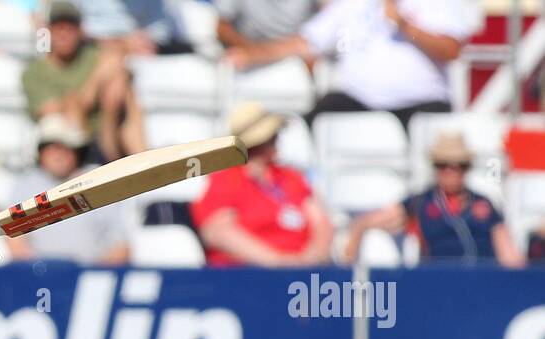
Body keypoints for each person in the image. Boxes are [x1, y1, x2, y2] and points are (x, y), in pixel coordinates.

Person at [225, 0, 478, 129]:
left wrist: (405, 26)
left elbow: (451, 49)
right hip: (361, 100)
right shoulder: (355, 3)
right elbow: (306, 42)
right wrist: (251, 54)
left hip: (420, 106)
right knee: (307, 122)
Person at [344, 132, 525, 268]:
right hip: (439, 280)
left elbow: (507, 252)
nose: (450, 172)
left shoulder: (483, 203)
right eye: (443, 165)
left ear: (466, 168)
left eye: (458, 166)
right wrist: (356, 236)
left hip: (484, 277)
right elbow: (374, 220)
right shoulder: (421, 201)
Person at [191, 101, 332, 267]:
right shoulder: (226, 179)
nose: (277, 139)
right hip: (246, 278)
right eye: (272, 136)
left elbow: (320, 222)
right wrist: (277, 262)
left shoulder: (291, 177)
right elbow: (217, 232)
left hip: (302, 274)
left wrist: (311, 258)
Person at [22, 1, 144, 164]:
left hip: (99, 134)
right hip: (64, 149)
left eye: (70, 28)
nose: (64, 34)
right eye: (58, 28)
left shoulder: (91, 56)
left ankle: (135, 156)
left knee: (119, 85)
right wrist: (93, 86)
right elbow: (61, 114)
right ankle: (118, 158)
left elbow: (115, 60)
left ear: (80, 31)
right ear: (48, 31)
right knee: (67, 117)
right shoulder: (35, 71)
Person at [8, 114, 130, 265]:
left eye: (64, 146)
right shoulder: (25, 186)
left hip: (89, 277)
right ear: (40, 152)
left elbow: (121, 247)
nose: (58, 153)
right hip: (39, 278)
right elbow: (15, 241)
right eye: (50, 146)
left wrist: (90, 275)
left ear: (76, 150)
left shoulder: (98, 181)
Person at [75, 0, 188, 55]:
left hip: (137, 58)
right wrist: (122, 44)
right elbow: (71, 32)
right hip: (91, 54)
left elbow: (159, 36)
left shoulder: (157, 2)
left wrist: (145, 42)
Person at [214, 0, 316, 47]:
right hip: (248, 57)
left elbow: (326, 25)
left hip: (296, 54)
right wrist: (254, 52)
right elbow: (222, 27)